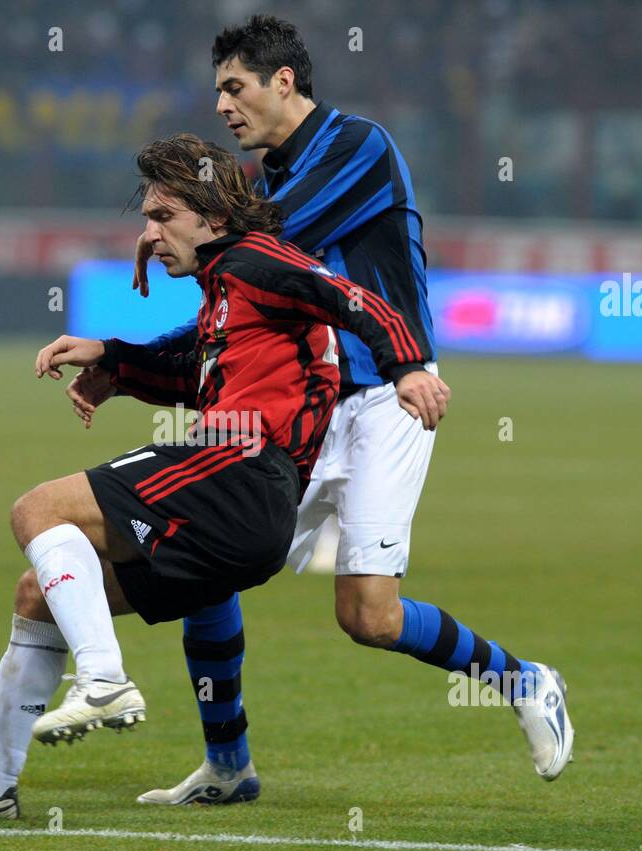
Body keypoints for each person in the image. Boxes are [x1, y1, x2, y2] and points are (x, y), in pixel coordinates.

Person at [126, 15, 573, 804]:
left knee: (368, 615)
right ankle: (228, 767)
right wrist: (126, 341)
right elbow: (233, 303)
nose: (224, 107)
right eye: (218, 92)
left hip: (390, 394)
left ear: (284, 81)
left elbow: (274, 250)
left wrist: (186, 233)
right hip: (308, 400)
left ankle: (523, 679)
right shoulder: (256, 188)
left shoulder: (359, 147)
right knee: (213, 556)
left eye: (235, 87)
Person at [0, 133, 450, 817]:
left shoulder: (257, 260)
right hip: (244, 514)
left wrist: (407, 364)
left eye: (162, 217)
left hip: (240, 473)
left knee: (37, 511)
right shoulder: (226, 291)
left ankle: (105, 678)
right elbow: (193, 372)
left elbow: (353, 298)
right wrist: (115, 365)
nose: (149, 236)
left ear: (211, 216)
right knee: (40, 593)